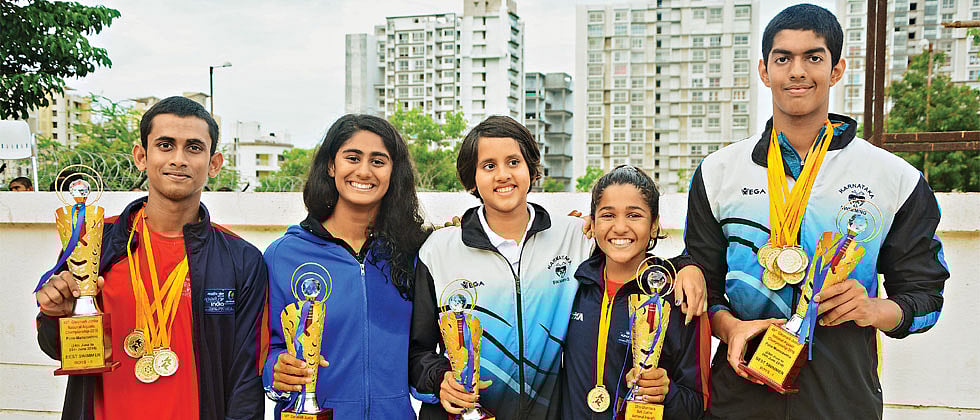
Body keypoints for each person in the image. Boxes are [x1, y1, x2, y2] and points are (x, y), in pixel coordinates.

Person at [683, 4, 949, 419]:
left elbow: (928, 297)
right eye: (783, 58)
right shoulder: (718, 173)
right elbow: (704, 284)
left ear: (838, 69)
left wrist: (872, 309)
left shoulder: (894, 178)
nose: (797, 71)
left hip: (843, 399)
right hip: (738, 398)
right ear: (764, 70)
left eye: (814, 57)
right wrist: (730, 327)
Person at [409, 116, 707, 419]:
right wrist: (440, 379)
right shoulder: (439, 250)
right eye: (489, 166)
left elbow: (628, 249)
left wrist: (686, 264)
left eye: (513, 162)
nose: (503, 175)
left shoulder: (572, 237)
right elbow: (416, 352)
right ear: (470, 179)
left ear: (531, 169)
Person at [34, 96, 268, 420]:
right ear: (142, 156)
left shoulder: (241, 260)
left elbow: (245, 382)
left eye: (194, 148)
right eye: (166, 145)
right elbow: (56, 348)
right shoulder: (92, 243)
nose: (179, 159)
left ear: (214, 163)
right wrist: (56, 316)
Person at [262, 114, 428, 419]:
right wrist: (276, 371)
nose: (364, 171)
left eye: (378, 161)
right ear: (331, 165)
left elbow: (427, 350)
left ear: (393, 172)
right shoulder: (282, 256)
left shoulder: (415, 254)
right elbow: (264, 349)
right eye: (352, 157)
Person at [561, 165, 710, 420]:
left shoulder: (680, 297)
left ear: (654, 226)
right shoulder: (571, 286)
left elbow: (698, 404)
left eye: (634, 215)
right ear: (592, 224)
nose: (620, 227)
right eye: (608, 215)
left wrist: (667, 392)